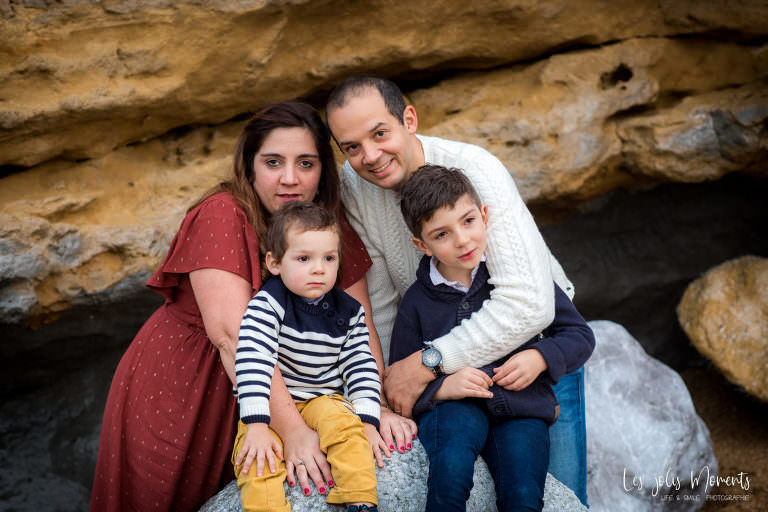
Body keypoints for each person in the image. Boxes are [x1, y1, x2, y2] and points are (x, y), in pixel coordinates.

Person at [91, 101, 411, 512]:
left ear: (323, 171)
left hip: (267, 390)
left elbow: (358, 324)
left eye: (306, 163)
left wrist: (373, 410)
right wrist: (294, 432)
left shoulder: (326, 224)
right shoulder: (223, 213)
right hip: (184, 382)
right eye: (273, 162)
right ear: (249, 165)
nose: (290, 178)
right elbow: (232, 336)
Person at [325, 75, 590, 505]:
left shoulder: (476, 170)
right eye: (351, 147)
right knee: (452, 479)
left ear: (408, 119)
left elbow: (529, 305)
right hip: (452, 384)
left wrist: (428, 363)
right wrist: (391, 384)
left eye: (379, 133)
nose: (369, 156)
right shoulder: (355, 185)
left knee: (555, 495)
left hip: (531, 359)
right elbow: (384, 301)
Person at [389, 165, 595, 512]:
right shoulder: (417, 301)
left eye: (468, 221)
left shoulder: (519, 276)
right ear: (421, 244)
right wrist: (442, 388)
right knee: (449, 476)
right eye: (442, 234)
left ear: (484, 215)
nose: (462, 240)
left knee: (523, 495)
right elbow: (400, 378)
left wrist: (541, 357)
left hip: (522, 408)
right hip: (452, 409)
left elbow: (579, 335)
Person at [233, 201, 380, 512]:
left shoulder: (349, 311)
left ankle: (361, 499)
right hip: (273, 407)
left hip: (323, 398)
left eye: (329, 258)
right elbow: (253, 360)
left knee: (347, 428)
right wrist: (257, 423)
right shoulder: (267, 305)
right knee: (256, 460)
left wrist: (368, 419)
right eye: (303, 258)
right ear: (274, 263)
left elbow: (360, 365)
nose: (319, 268)